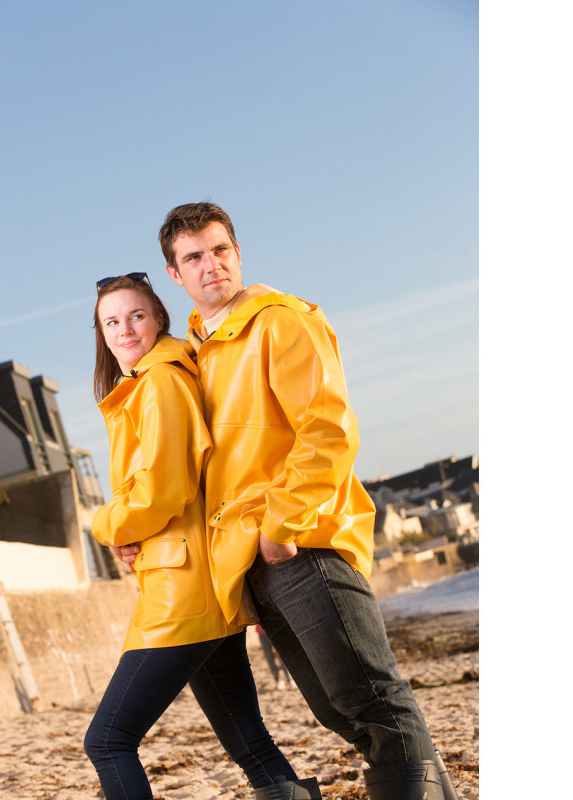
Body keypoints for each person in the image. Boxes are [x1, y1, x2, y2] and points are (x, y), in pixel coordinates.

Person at [116, 204, 461, 800]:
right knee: (334, 708)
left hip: (302, 545)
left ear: (237, 252)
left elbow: (328, 429)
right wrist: (137, 532)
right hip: (247, 557)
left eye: (220, 250)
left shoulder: (280, 322)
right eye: (194, 257)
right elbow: (184, 469)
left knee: (372, 699)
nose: (211, 265)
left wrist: (282, 524)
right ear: (175, 273)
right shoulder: (193, 351)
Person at [83, 273, 320, 800]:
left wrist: (107, 524)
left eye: (136, 316)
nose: (125, 330)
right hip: (194, 582)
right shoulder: (149, 381)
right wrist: (128, 530)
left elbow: (163, 491)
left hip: (182, 594)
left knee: (108, 741)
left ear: (159, 318)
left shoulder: (159, 382)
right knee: (249, 742)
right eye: (112, 322)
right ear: (101, 333)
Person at [255, 625, 294, 691]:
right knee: (269, 657)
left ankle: (290, 679)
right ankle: (278, 680)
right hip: (262, 632)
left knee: (282, 656)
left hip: (275, 629)